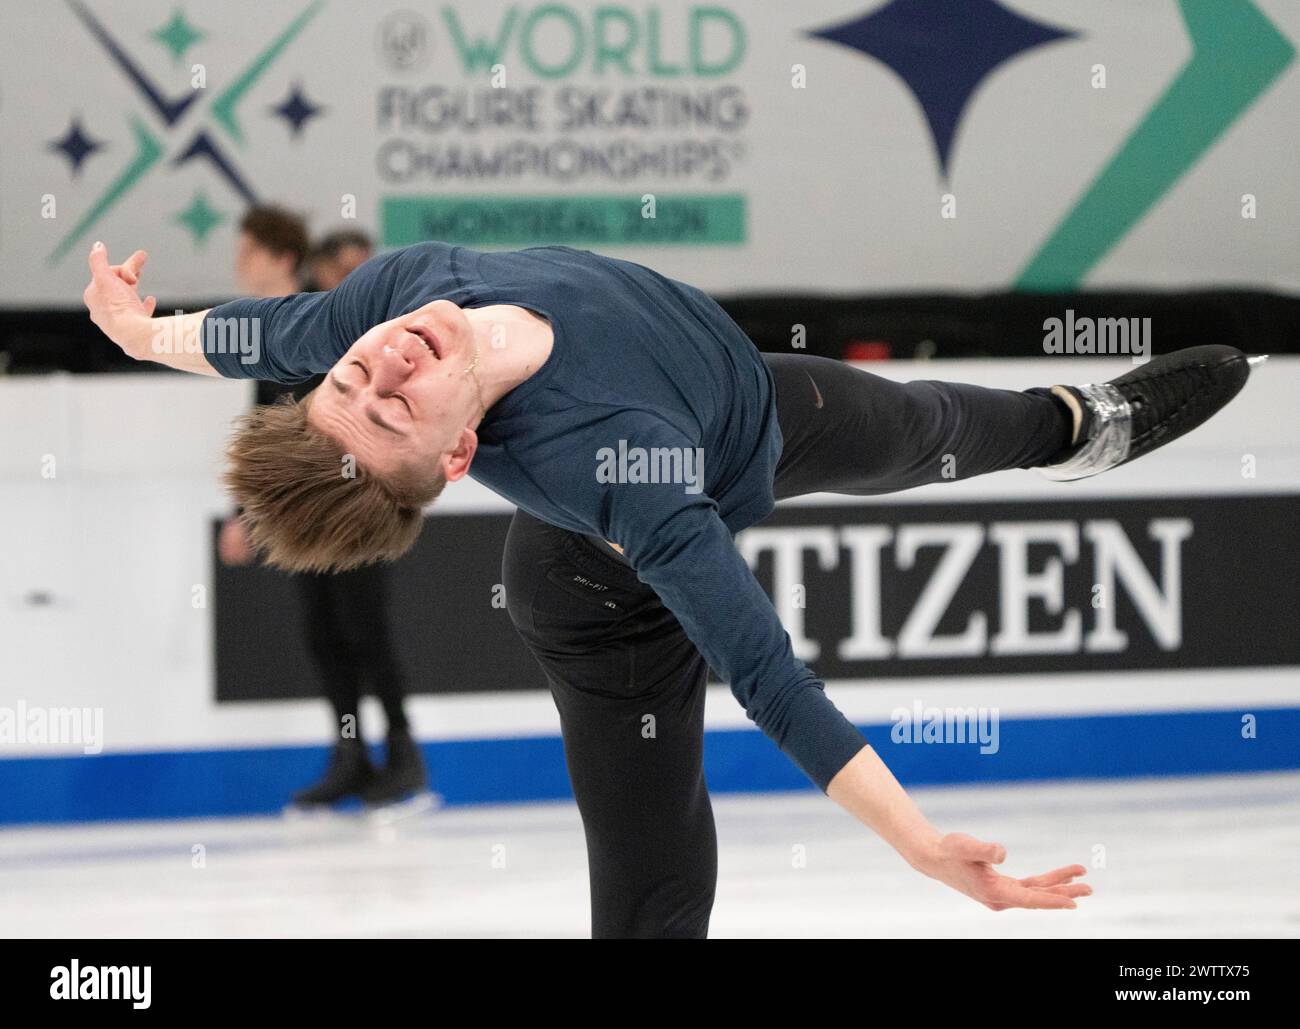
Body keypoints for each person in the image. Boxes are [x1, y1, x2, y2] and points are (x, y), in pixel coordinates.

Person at [83, 239, 1252, 937]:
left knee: (921, 426)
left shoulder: (378, 304)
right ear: (452, 459)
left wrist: (139, 331)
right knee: (648, 889)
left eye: (353, 375)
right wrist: (917, 844)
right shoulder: (617, 462)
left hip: (752, 407)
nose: (383, 364)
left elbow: (258, 335)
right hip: (593, 606)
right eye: (389, 405)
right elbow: (765, 670)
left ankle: (1075, 428)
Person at [218, 213, 424, 807]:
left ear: (281, 255)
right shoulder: (262, 331)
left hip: (354, 504)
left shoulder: (320, 322)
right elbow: (265, 435)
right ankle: (352, 755)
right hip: (303, 514)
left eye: (248, 249)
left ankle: (404, 754)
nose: (239, 262)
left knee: (366, 630)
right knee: (324, 633)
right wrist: (247, 512)